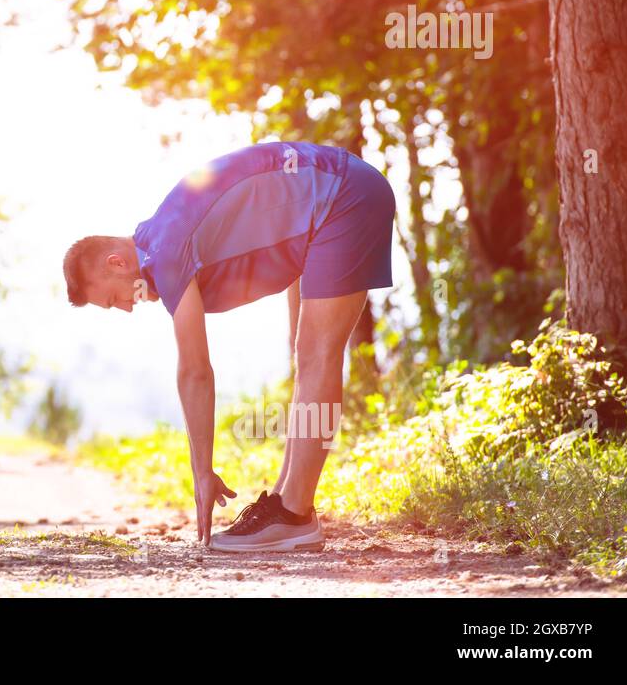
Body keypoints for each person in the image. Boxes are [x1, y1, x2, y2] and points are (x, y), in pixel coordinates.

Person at [62, 140, 395, 553]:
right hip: (322, 207)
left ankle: (295, 515)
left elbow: (195, 370)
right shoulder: (160, 240)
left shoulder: (165, 252)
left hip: (344, 195)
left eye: (114, 299)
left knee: (316, 355)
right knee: (306, 356)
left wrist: (202, 470)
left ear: (117, 263)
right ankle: (285, 504)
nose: (127, 309)